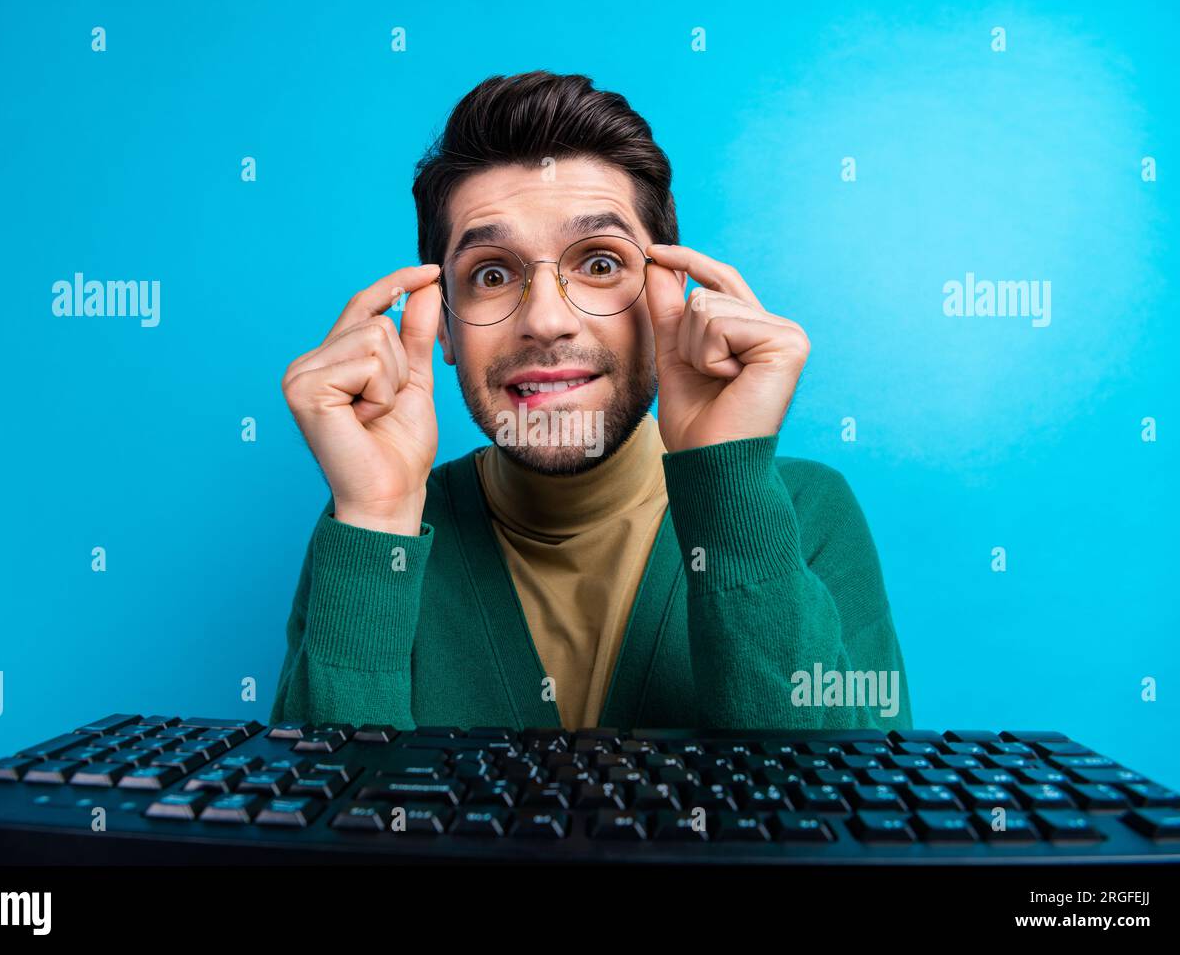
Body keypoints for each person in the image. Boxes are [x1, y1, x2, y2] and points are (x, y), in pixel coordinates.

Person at [271, 71, 911, 732]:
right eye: (492, 274)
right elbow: (330, 813)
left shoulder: (807, 511)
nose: (547, 320)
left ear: (669, 298)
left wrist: (729, 485)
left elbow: (834, 812)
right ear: (443, 327)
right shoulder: (370, 530)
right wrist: (376, 517)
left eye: (600, 264)